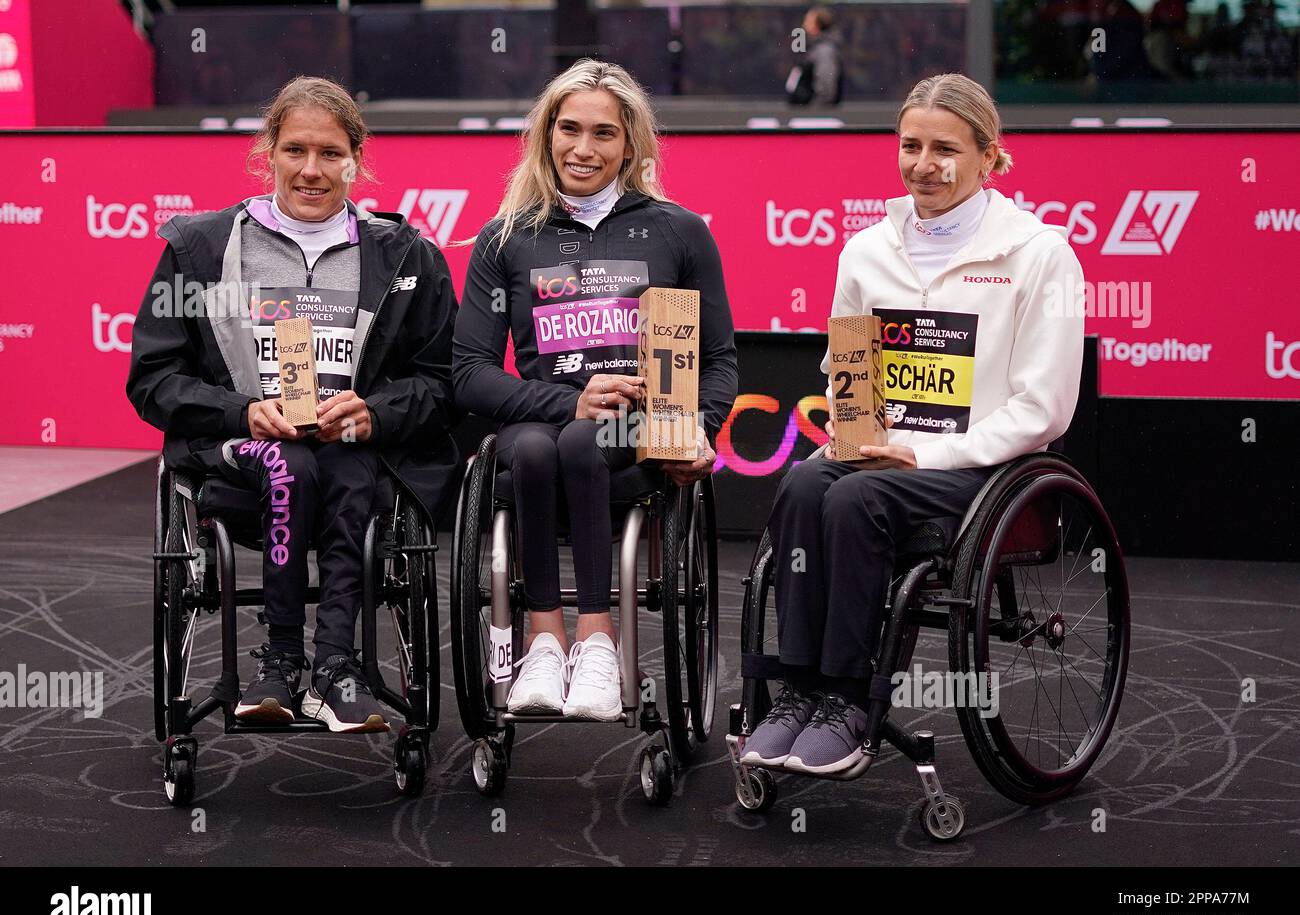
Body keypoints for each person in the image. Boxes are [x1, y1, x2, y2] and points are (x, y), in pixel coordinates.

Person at [741, 73, 1085, 775]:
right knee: (807, 486)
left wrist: (926, 454)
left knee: (856, 498)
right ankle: (797, 690)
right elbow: (845, 370)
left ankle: (848, 699)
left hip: (982, 471)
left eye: (946, 149)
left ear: (990, 156)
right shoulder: (866, 251)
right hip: (883, 453)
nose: (924, 164)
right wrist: (856, 426)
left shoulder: (1039, 254)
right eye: (910, 145)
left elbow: (1044, 406)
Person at [126, 76, 459, 733]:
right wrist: (242, 411)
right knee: (291, 466)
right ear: (268, 151)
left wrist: (375, 413)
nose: (312, 169)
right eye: (296, 150)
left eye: (331, 153)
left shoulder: (405, 256)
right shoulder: (199, 250)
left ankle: (336, 668)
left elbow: (442, 380)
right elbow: (153, 379)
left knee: (340, 465)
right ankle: (280, 657)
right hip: (240, 454)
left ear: (356, 160)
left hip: (353, 453)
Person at [452, 59, 738, 721]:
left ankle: (600, 642)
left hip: (636, 433)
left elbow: (719, 359)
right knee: (529, 449)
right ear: (546, 136)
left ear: (630, 144)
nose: (584, 148)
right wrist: (568, 399)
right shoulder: (506, 239)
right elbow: (468, 372)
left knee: (583, 440)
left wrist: (702, 426)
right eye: (569, 129)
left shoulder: (679, 232)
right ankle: (544, 641)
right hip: (542, 423)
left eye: (603, 134)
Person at [787, 6, 844, 107]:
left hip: (814, 117)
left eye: (808, 21)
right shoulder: (813, 49)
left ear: (817, 25)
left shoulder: (824, 51)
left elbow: (826, 90)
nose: (804, 25)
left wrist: (813, 112)